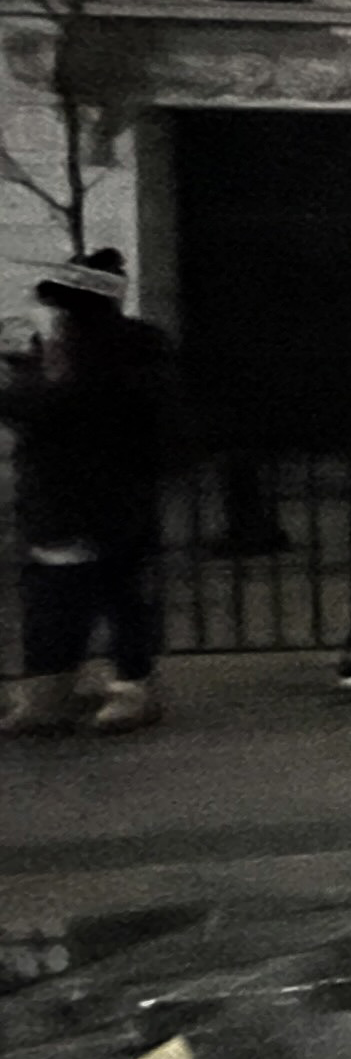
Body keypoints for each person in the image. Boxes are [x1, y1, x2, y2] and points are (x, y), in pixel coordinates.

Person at [2, 252, 175, 734]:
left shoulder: (111, 357)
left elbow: (45, 409)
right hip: (75, 495)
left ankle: (116, 685)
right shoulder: (69, 353)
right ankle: (60, 688)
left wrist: (32, 378)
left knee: (104, 592)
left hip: (96, 494)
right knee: (73, 594)